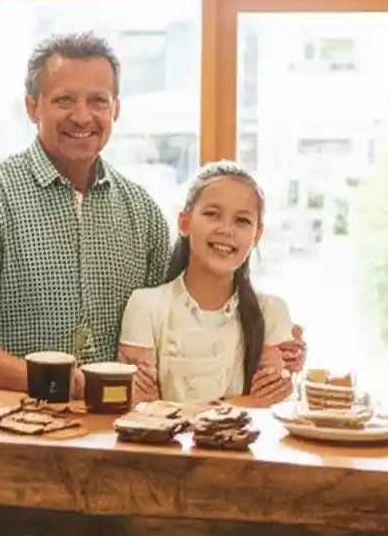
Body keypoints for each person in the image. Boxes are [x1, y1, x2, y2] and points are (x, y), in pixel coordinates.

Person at [0, 31, 172, 396]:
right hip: (8, 435)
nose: (82, 116)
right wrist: (57, 383)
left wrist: (268, 347)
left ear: (115, 109)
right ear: (32, 107)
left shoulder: (144, 212)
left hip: (117, 433)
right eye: (63, 100)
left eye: (98, 101)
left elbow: (175, 322)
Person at [117, 161, 306, 404]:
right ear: (184, 222)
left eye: (242, 221)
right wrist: (238, 404)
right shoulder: (145, 305)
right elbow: (142, 406)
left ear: (257, 234)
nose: (226, 230)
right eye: (212, 215)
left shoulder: (272, 312)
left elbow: (268, 406)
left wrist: (180, 411)